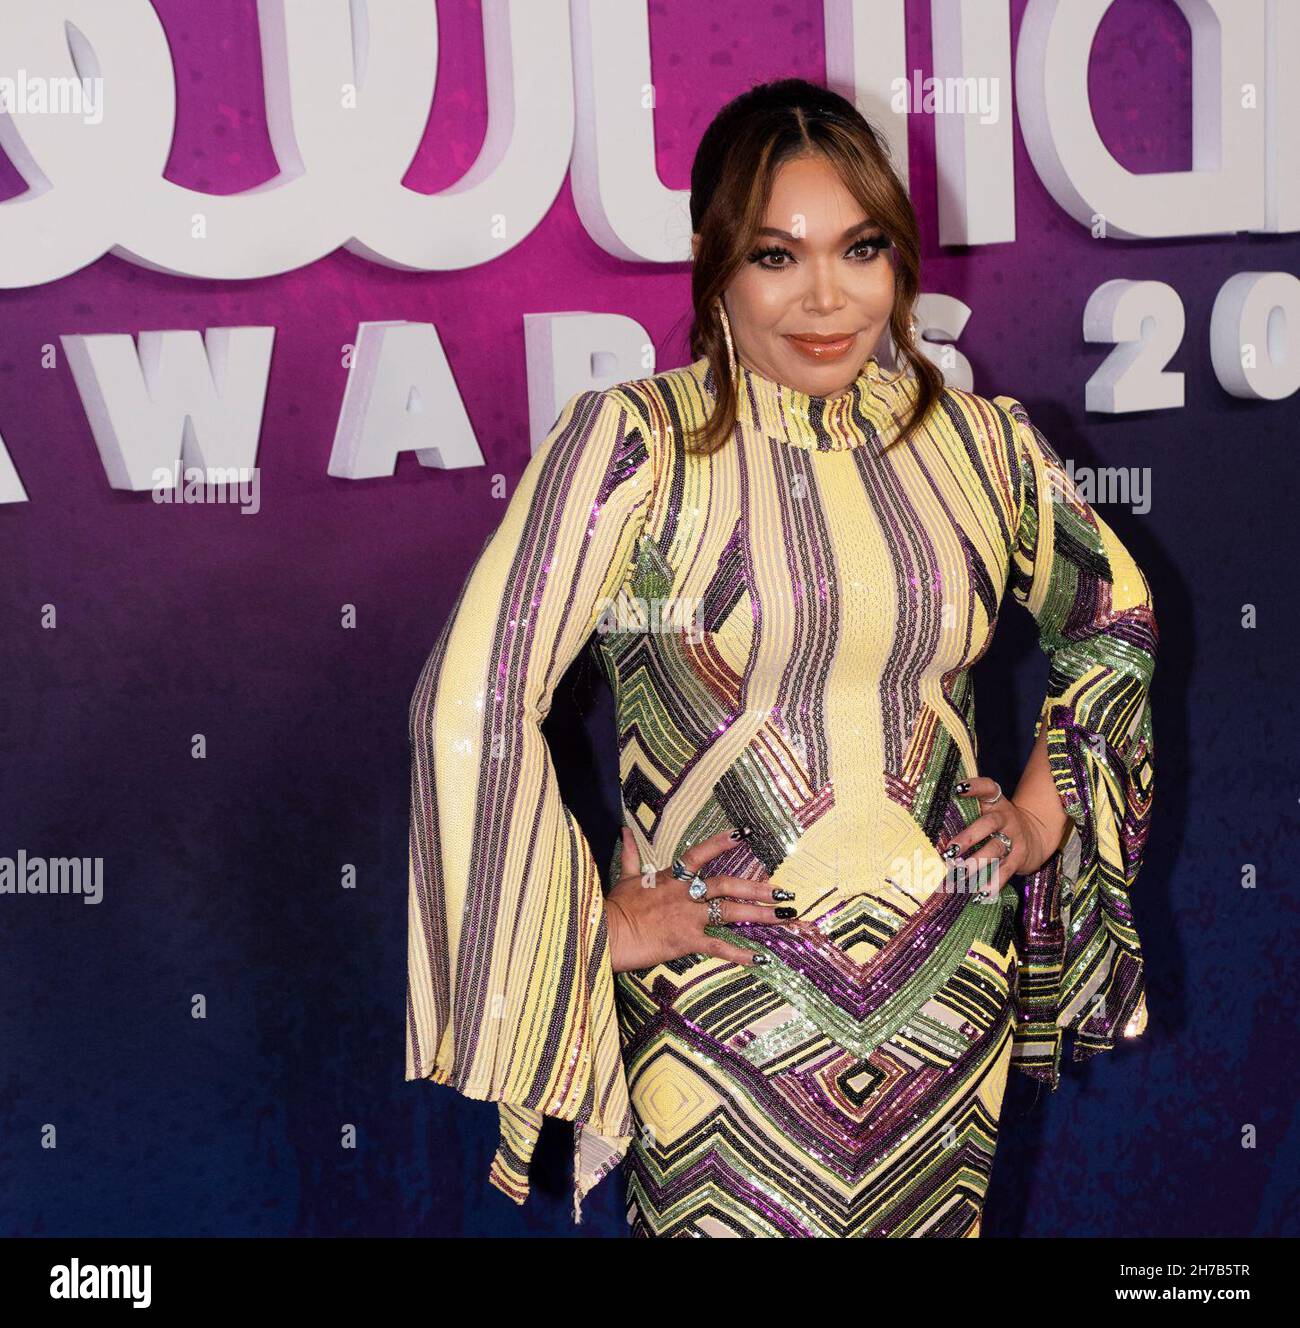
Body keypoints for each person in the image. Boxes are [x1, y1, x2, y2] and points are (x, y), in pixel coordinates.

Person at [405, 77, 1157, 1237]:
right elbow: (474, 703)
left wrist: (1039, 814)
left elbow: (1111, 616)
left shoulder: (976, 442)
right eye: (774, 255)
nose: (825, 295)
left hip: (948, 1002)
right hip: (718, 1006)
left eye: (859, 248)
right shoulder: (632, 448)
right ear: (714, 270)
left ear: (899, 260)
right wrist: (591, 923)